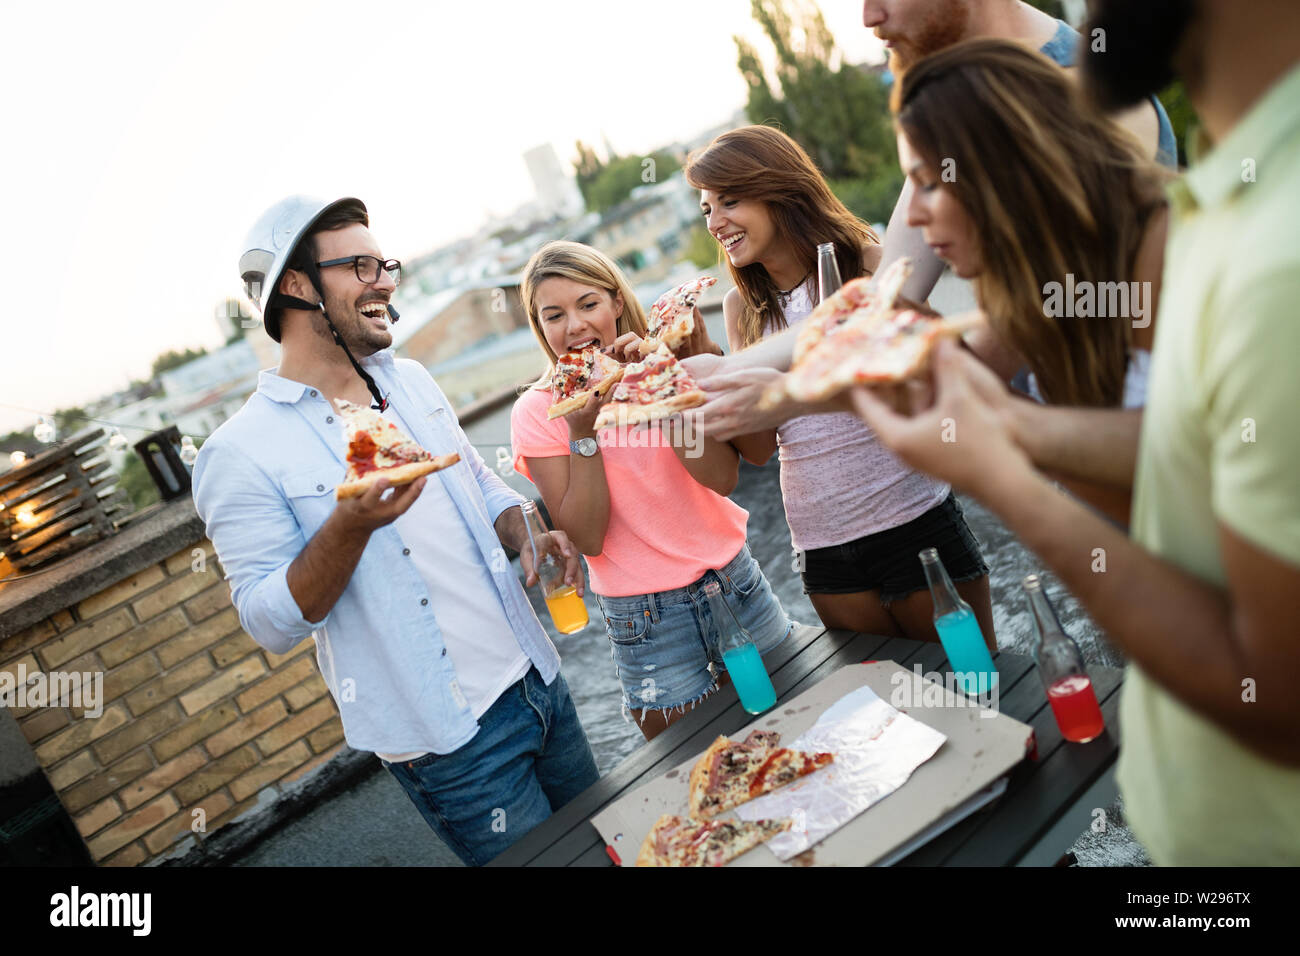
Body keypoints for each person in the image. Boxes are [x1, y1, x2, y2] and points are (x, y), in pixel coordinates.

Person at [849, 0, 1300, 864]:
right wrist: (1013, 426)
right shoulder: (1222, 196)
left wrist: (1003, 474)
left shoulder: (1274, 255)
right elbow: (1191, 446)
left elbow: (1276, 693)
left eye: (937, 180)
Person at [193, 196, 599, 867]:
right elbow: (268, 621)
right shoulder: (239, 451)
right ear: (295, 286)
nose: (384, 280)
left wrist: (518, 527)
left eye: (386, 264)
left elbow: (477, 480)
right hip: (451, 742)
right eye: (360, 266)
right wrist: (348, 527)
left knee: (609, 843)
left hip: (537, 681)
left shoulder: (408, 380)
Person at [686, 0, 1179, 437]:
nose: (867, 16)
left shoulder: (1079, 101)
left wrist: (784, 394)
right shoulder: (962, 104)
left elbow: (1004, 342)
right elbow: (880, 301)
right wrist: (712, 373)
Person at [684, 125, 995, 645]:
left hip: (914, 521)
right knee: (890, 717)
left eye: (729, 201)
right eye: (706, 210)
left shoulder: (866, 264)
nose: (716, 222)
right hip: (824, 549)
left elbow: (930, 377)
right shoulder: (742, 309)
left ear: (778, 190)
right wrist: (702, 363)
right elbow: (760, 449)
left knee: (979, 689)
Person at [509, 240, 794, 741]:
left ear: (616, 302)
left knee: (798, 721)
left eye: (588, 304)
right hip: (645, 620)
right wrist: (583, 432)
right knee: (689, 767)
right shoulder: (537, 411)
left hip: (734, 582)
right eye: (553, 315)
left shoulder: (663, 364)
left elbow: (722, 478)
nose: (574, 326)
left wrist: (660, 388)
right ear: (539, 326)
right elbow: (588, 537)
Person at [890, 39, 1170, 522]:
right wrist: (949, 366)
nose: (912, 216)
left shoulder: (1161, 255)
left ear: (1005, 173)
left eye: (930, 183)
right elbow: (1123, 500)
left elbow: (1171, 486)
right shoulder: (1041, 285)